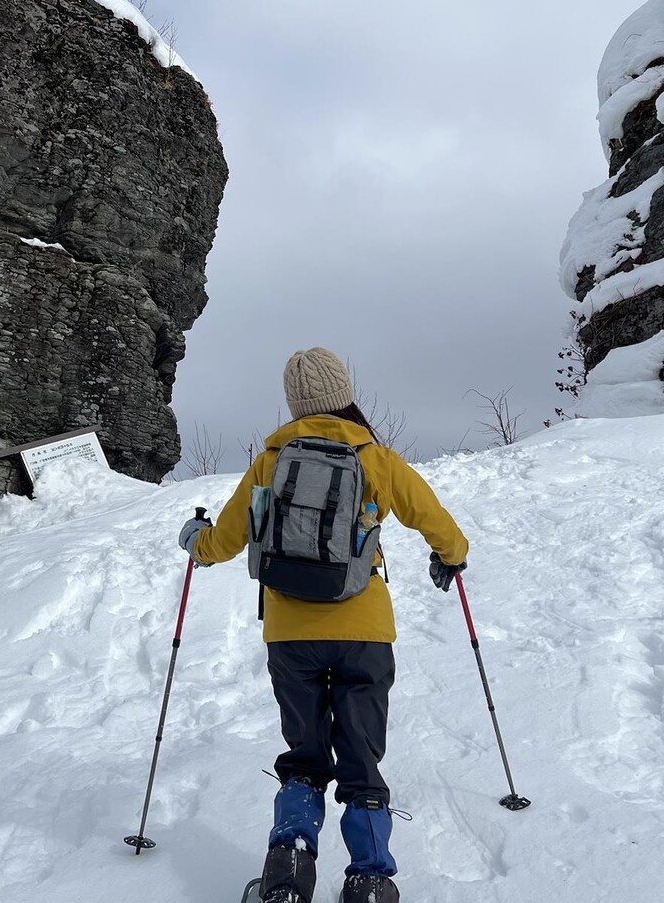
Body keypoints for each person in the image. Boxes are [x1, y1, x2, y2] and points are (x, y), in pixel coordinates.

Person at [179, 347, 470, 903]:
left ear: (295, 403)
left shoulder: (271, 462)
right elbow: (435, 521)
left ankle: (287, 875)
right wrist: (451, 557)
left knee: (305, 757)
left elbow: (226, 540)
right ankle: (370, 881)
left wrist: (196, 541)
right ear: (345, 394)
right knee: (361, 758)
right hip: (365, 635)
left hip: (291, 636)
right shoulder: (376, 458)